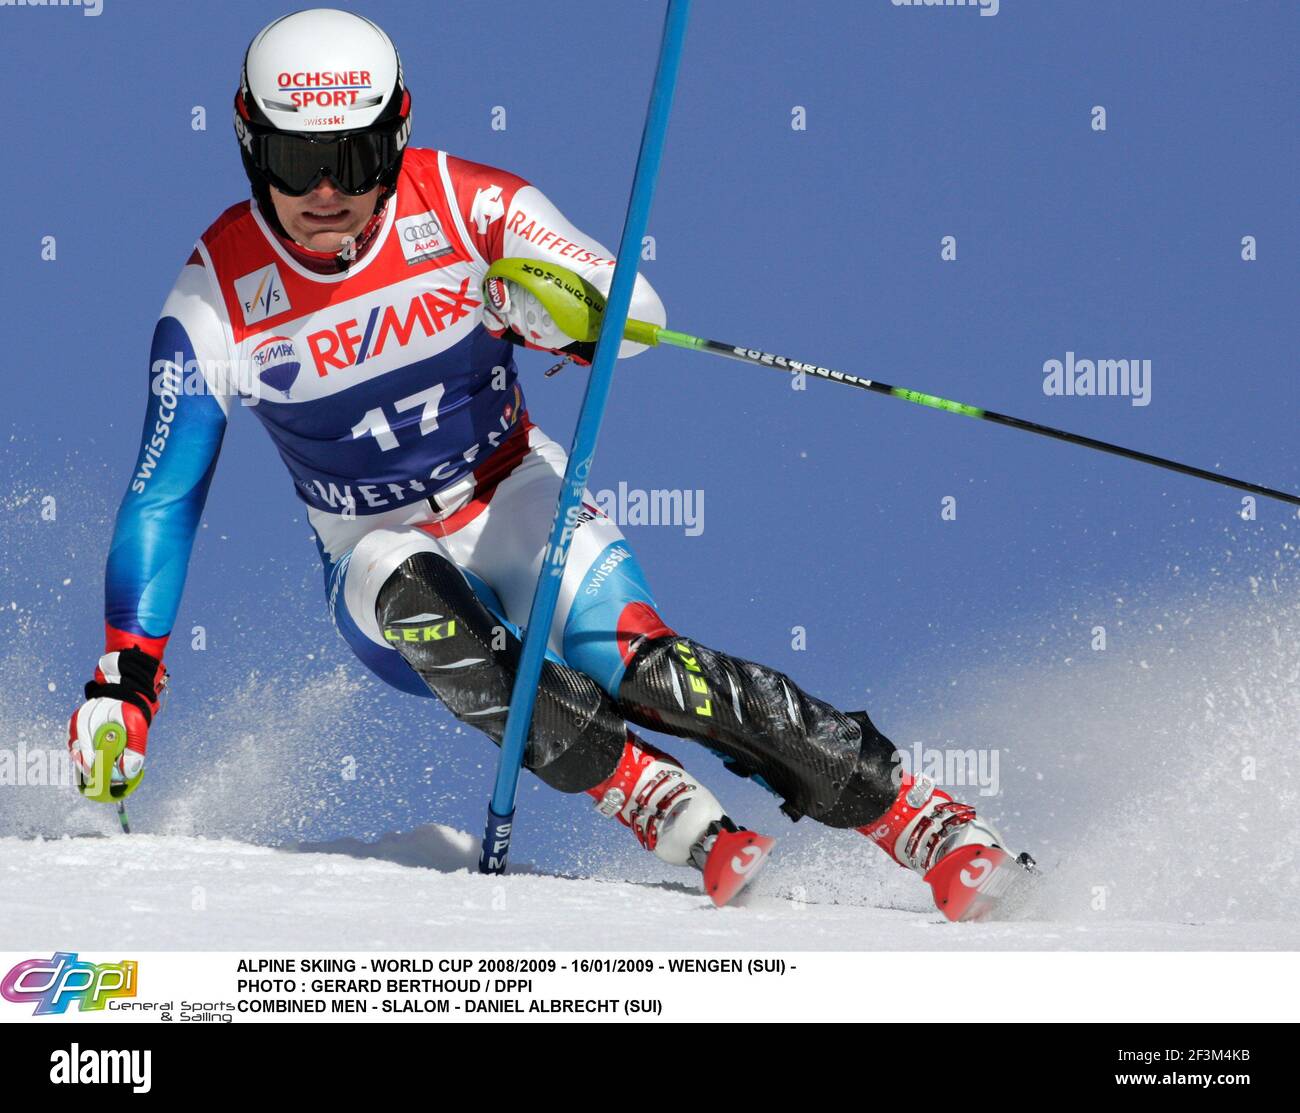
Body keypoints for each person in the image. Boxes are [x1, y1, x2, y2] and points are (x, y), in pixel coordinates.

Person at [67, 7, 1029, 919]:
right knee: (417, 594)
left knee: (649, 671)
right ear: (249, 147)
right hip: (371, 550)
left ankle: (925, 821)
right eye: (295, 160)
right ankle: (643, 793)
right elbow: (165, 494)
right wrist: (127, 681)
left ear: (396, 138)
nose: (327, 193)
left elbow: (639, 312)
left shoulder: (470, 203)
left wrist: (563, 316)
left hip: (511, 491)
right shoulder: (214, 299)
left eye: (354, 158)